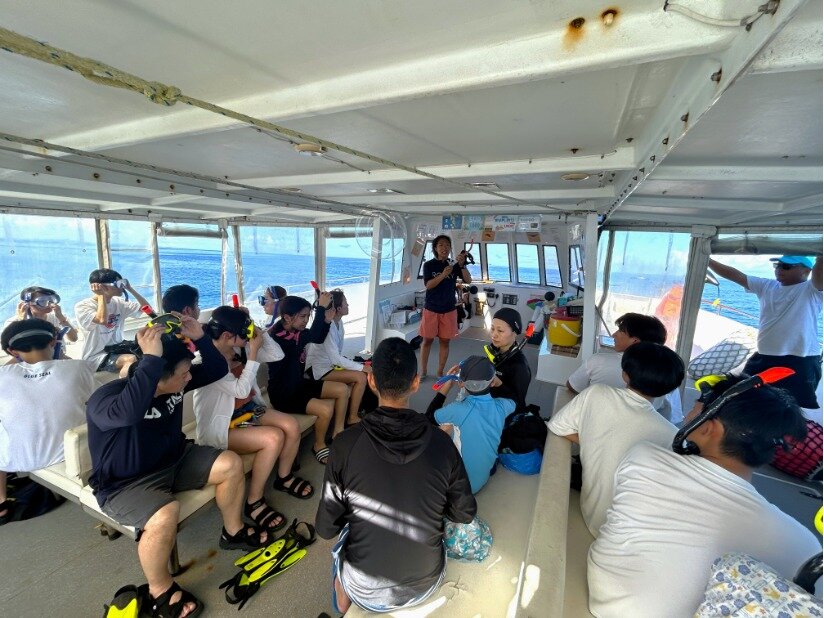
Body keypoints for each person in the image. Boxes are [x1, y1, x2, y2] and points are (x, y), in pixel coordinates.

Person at [588, 375, 819, 618]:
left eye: (697, 408)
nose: (690, 414)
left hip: (602, 602)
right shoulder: (805, 546)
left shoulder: (643, 456)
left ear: (710, 427)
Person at [86, 316, 266, 618]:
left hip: (175, 458)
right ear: (156, 376)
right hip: (126, 483)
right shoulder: (106, 399)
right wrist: (151, 360)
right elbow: (128, 415)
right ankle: (160, 589)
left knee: (230, 464)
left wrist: (201, 338)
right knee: (164, 515)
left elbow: (216, 369)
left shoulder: (174, 383)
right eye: (183, 374)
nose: (188, 378)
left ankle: (233, 531)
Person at [315, 337, 476, 614]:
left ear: (371, 381)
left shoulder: (344, 445)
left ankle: (343, 596)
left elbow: (326, 528)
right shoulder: (442, 443)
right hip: (426, 584)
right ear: (415, 383)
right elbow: (464, 513)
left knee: (345, 535)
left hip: (365, 591)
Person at [194, 306, 313, 533]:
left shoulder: (238, 347)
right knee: (273, 438)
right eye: (244, 332)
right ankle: (254, 501)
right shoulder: (208, 362)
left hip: (248, 410)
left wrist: (258, 332)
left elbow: (277, 355)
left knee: (291, 425)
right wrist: (254, 353)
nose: (248, 336)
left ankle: (284, 477)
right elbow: (240, 390)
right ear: (227, 335)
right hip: (223, 425)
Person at [548, 342, 685, 537]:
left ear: (625, 374)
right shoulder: (671, 435)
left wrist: (595, 441)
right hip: (630, 532)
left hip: (590, 515)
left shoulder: (596, 393)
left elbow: (557, 426)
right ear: (668, 390)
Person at [0, 319, 95, 524]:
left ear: (12, 351)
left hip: (22, 461)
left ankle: (1, 504)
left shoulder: (3, 376)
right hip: (74, 453)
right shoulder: (79, 368)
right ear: (53, 341)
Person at [709, 255, 822, 409]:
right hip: (764, 357)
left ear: (806, 271)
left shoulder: (812, 290)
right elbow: (736, 275)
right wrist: (707, 260)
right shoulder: (767, 285)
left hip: (800, 359)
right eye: (777, 265)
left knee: (790, 406)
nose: (779, 269)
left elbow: (820, 273)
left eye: (786, 266)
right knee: (745, 396)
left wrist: (820, 256)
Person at [266, 294, 348, 465]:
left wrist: (326, 320)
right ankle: (319, 445)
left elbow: (317, 338)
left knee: (342, 390)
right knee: (325, 409)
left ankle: (337, 433)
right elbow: (311, 335)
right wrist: (320, 309)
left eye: (307, 316)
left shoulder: (296, 332)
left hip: (298, 384)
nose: (305, 321)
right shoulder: (278, 338)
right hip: (283, 393)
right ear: (287, 317)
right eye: (302, 316)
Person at [566, 313, 683, 423]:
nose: (614, 334)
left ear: (635, 341)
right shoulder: (668, 374)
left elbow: (573, 386)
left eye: (621, 331)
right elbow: (672, 416)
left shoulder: (598, 361)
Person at [426, 355, 516, 493]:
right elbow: (514, 399)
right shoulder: (501, 406)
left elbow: (429, 417)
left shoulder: (457, 409)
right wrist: (497, 382)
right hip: (483, 478)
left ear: (461, 383)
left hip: (462, 489)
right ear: (492, 382)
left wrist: (446, 387)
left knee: (441, 430)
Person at [306, 289, 375, 425]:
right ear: (338, 308)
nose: (348, 305)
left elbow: (336, 356)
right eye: (345, 303)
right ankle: (352, 417)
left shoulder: (338, 323)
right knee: (361, 377)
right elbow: (336, 359)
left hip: (329, 366)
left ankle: (356, 412)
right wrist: (362, 367)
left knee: (359, 377)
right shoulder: (328, 327)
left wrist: (359, 367)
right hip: (317, 370)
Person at [74, 268, 150, 372]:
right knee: (131, 360)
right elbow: (102, 320)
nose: (122, 287)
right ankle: (125, 383)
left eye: (123, 283)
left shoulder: (119, 302)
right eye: (119, 284)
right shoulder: (83, 306)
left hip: (117, 347)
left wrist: (130, 289)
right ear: (103, 286)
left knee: (150, 351)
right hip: (96, 356)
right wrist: (101, 295)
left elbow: (148, 309)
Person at [419, 235, 472, 379]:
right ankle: (423, 371)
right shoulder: (429, 265)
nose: (445, 248)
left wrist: (462, 265)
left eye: (447, 245)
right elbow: (428, 285)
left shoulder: (454, 265)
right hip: (431, 309)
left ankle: (440, 372)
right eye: (441, 245)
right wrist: (443, 275)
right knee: (427, 340)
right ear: (435, 248)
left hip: (449, 310)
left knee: (445, 341)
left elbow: (468, 280)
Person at [487, 307, 532, 412]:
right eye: (492, 328)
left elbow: (519, 403)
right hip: (489, 408)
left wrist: (499, 384)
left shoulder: (519, 366)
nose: (494, 335)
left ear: (514, 333)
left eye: (500, 330)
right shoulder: (494, 353)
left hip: (504, 416)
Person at [4, 286, 78, 343]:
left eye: (52, 300)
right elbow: (15, 345)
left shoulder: (57, 317)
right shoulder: (13, 322)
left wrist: (61, 318)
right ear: (27, 304)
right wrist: (22, 321)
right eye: (42, 301)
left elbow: (74, 338)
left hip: (58, 357)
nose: (49, 304)